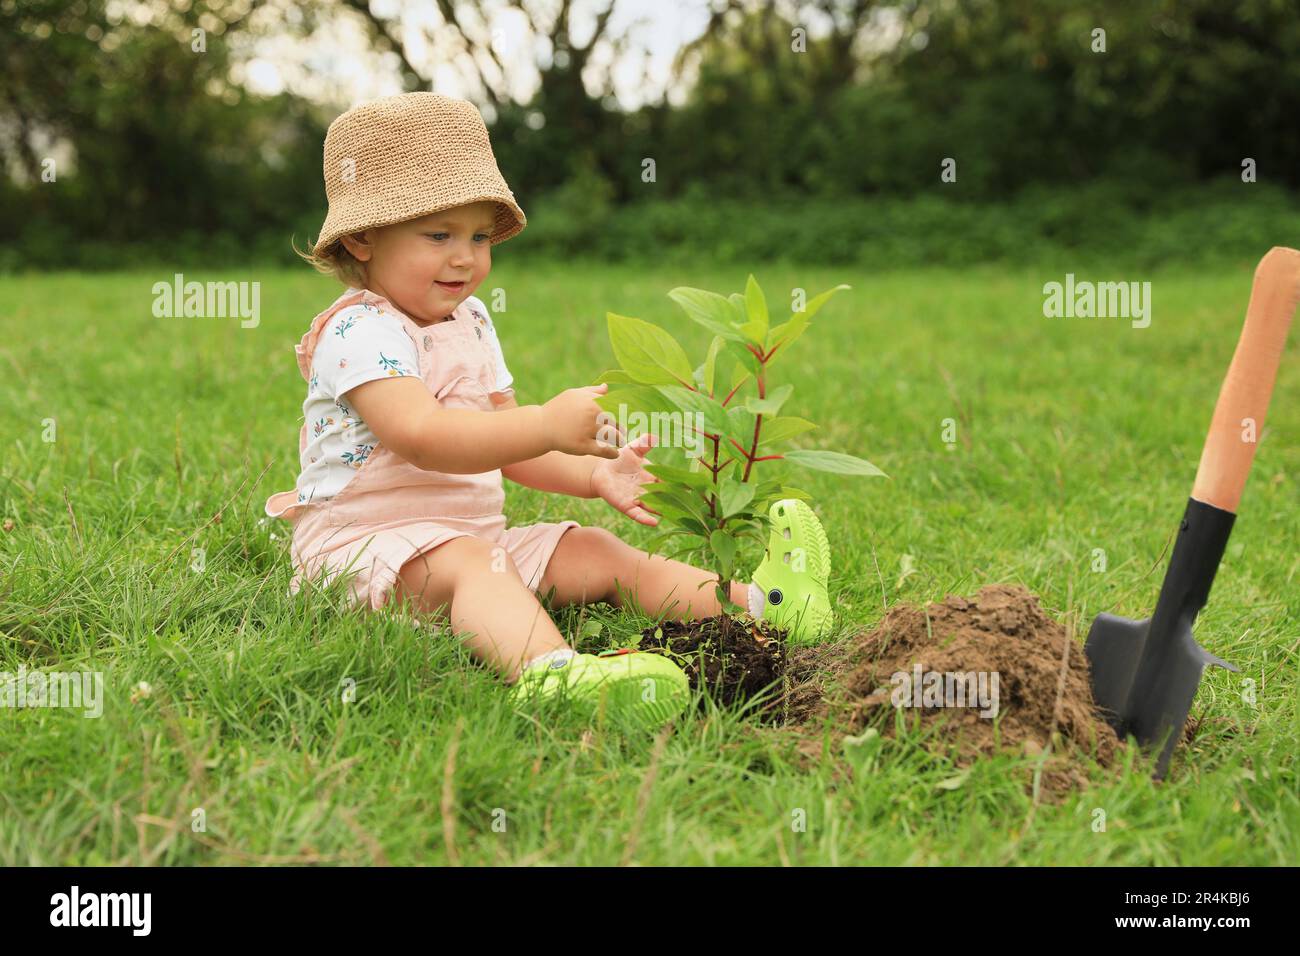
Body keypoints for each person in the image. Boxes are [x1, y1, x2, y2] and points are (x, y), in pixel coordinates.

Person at [265, 93, 833, 728]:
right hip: (363, 552)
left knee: (594, 550)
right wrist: (543, 422)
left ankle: (764, 605)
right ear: (364, 239)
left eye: (480, 236)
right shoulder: (359, 332)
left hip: (468, 545)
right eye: (439, 234)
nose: (465, 257)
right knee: (475, 563)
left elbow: (510, 450)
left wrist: (593, 475)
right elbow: (422, 437)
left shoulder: (471, 320)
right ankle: (554, 677)